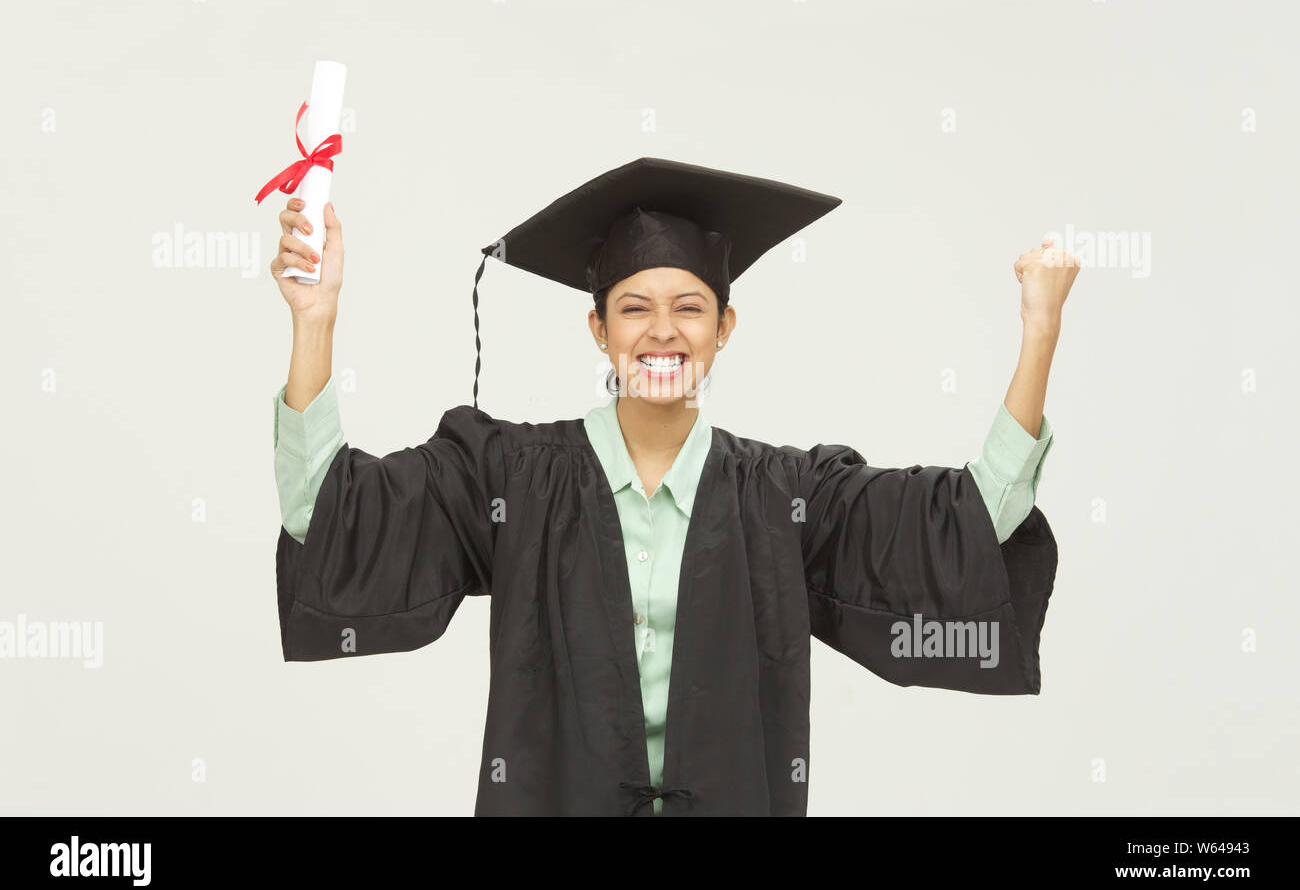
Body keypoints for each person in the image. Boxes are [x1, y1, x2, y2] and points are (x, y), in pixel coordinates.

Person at [268, 157, 1078, 816]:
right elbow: (332, 517)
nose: (662, 331)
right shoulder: (508, 478)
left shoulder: (786, 496)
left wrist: (1039, 331)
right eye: (633, 308)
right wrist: (315, 322)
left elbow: (971, 522)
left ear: (724, 327)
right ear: (599, 329)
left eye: (690, 307)